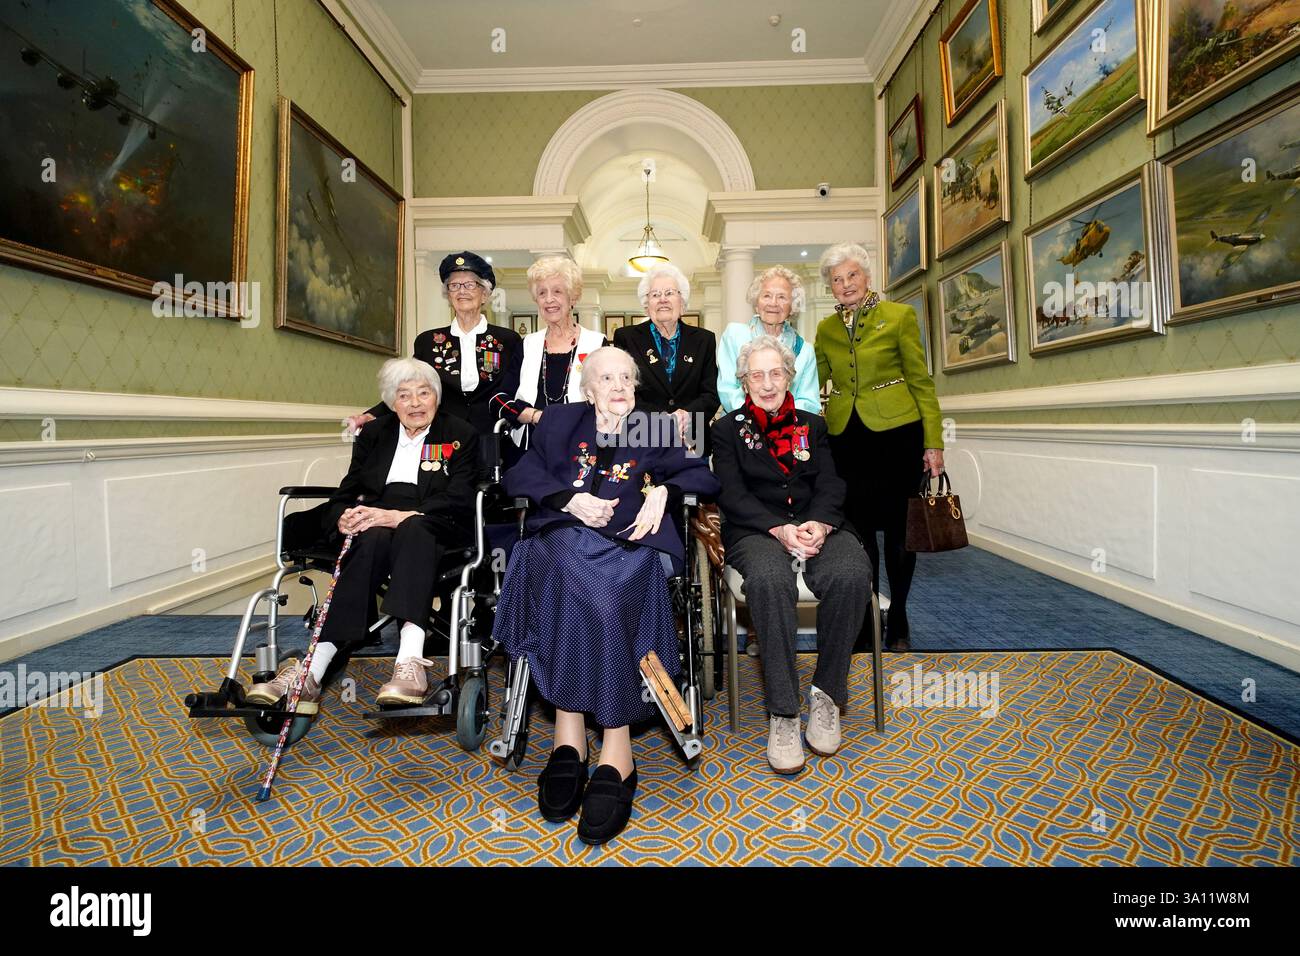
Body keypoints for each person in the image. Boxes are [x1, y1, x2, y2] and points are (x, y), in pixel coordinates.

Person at [493, 346, 720, 844]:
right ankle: (569, 736)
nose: (618, 387)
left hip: (632, 545)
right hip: (560, 537)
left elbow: (703, 472)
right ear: (588, 388)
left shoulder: (653, 424)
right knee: (561, 569)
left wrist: (664, 489)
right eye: (607, 379)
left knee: (610, 585)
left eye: (626, 379)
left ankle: (617, 747)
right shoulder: (558, 422)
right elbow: (519, 474)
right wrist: (567, 498)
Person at [248, 358, 479, 711]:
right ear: (391, 401)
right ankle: (313, 668)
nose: (415, 403)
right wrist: (343, 518)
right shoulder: (374, 434)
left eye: (424, 393)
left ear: (436, 397)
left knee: (413, 528)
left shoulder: (460, 433)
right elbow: (348, 489)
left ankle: (410, 661)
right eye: (404, 395)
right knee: (369, 538)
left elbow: (460, 498)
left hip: (435, 521)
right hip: (375, 521)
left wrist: (398, 516)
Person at [711, 336, 871, 775]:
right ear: (744, 380)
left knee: (852, 573)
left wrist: (818, 524)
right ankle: (783, 712)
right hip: (757, 530)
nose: (767, 383)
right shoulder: (726, 430)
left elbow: (832, 484)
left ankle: (826, 695)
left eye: (775, 373)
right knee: (769, 580)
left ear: (789, 377)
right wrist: (779, 529)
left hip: (815, 523)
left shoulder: (812, 424)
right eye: (757, 375)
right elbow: (731, 493)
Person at [814, 242, 943, 652]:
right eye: (837, 279)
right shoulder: (825, 329)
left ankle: (899, 613)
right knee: (859, 531)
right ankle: (867, 617)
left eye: (852, 275)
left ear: (867, 277)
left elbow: (921, 381)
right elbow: (811, 379)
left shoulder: (899, 317)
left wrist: (933, 442)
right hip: (846, 439)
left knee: (901, 532)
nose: (845, 284)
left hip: (897, 435)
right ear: (831, 287)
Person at [346, 251, 521, 454]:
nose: (461, 291)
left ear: (485, 294)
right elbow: (408, 386)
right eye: (454, 286)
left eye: (470, 284)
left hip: (494, 438)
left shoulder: (508, 340)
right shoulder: (428, 341)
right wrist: (371, 416)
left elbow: (517, 388)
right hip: (443, 436)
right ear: (448, 295)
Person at [494, 255, 605, 452]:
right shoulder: (527, 345)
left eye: (557, 291)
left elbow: (609, 398)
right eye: (542, 293)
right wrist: (533, 415)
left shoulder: (597, 344)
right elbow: (499, 398)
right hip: (530, 447)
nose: (549, 299)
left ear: (573, 297)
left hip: (582, 447)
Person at [612, 263, 719, 453]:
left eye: (669, 293)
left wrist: (686, 415)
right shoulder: (626, 338)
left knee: (693, 483)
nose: (662, 299)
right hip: (643, 435)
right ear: (646, 305)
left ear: (682, 301)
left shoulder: (704, 340)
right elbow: (623, 391)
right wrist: (662, 420)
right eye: (655, 295)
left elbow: (711, 393)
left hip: (693, 439)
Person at [717, 265, 820, 414]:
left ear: (792, 306)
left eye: (782, 297)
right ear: (756, 303)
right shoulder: (734, 335)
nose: (773, 303)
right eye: (767, 295)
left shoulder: (804, 350)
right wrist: (759, 420)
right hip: (740, 425)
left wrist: (779, 422)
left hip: (788, 431)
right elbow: (728, 390)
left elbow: (809, 402)